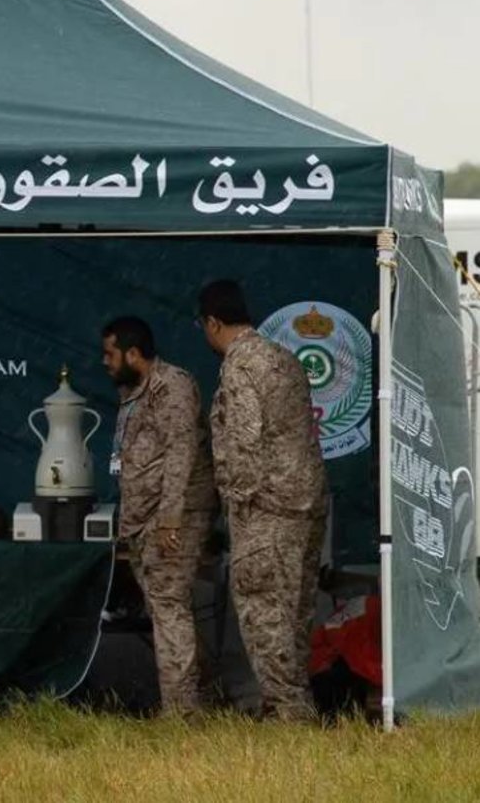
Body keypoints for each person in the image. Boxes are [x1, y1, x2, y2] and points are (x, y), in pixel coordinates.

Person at [197, 280, 328, 723]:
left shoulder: (241, 366)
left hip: (266, 508)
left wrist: (234, 499)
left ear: (213, 323)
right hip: (305, 503)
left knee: (264, 614)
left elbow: (245, 439)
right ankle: (290, 706)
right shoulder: (283, 358)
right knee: (293, 613)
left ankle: (290, 715)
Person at [101, 316, 218, 715]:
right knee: (166, 610)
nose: (105, 362)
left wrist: (169, 519)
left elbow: (181, 452)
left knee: (169, 606)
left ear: (134, 354)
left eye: (110, 354)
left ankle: (183, 712)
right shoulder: (135, 392)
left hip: (174, 518)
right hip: (144, 520)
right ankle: (203, 695)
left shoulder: (173, 387)